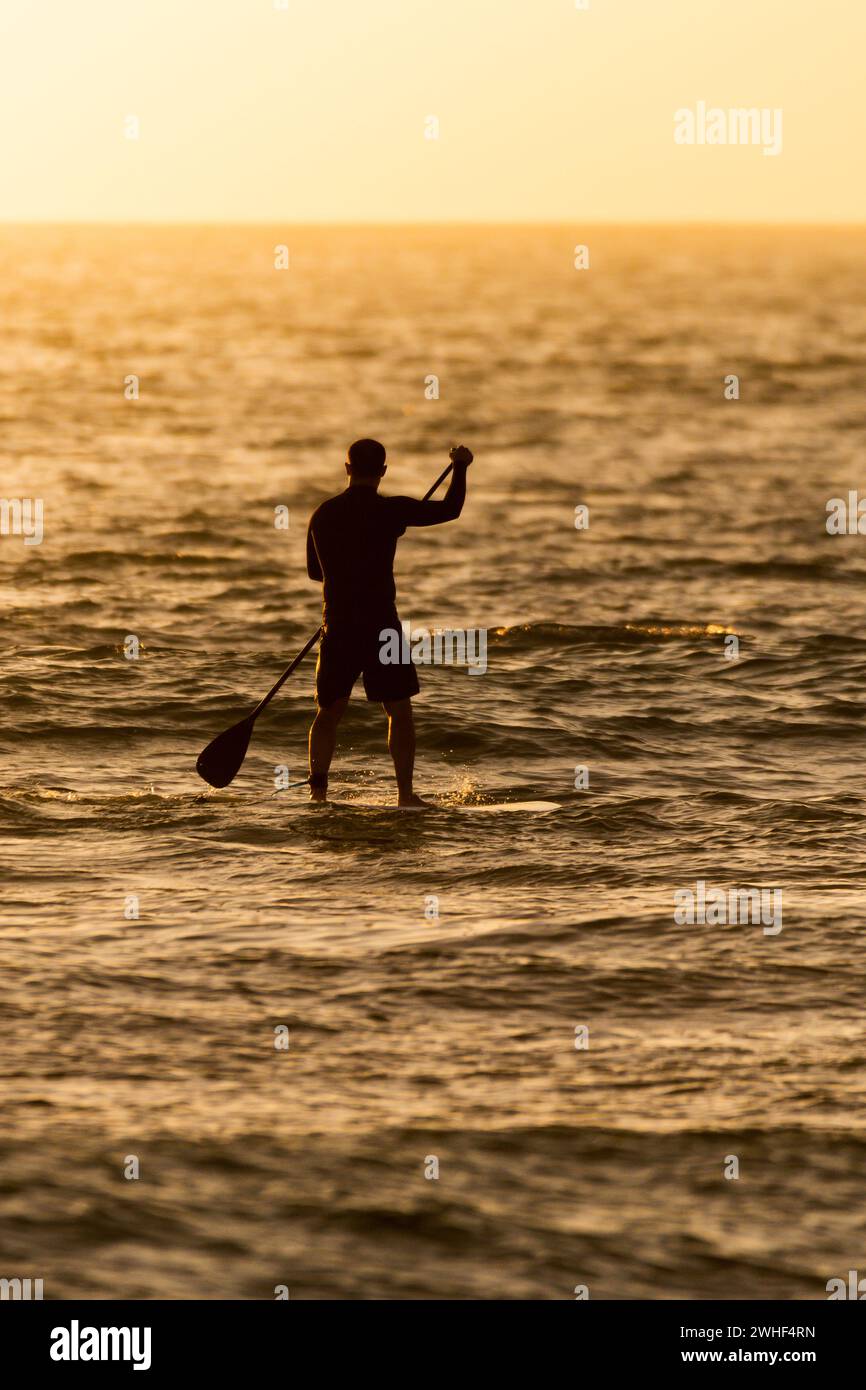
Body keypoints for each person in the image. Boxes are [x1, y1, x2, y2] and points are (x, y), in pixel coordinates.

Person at [305, 439, 472, 806]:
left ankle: (318, 796)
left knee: (328, 712)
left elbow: (316, 574)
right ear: (383, 471)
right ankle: (405, 796)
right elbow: (450, 509)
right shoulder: (391, 511)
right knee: (399, 711)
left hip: (338, 625)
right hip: (383, 626)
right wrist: (460, 467)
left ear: (347, 468)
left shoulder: (323, 514)